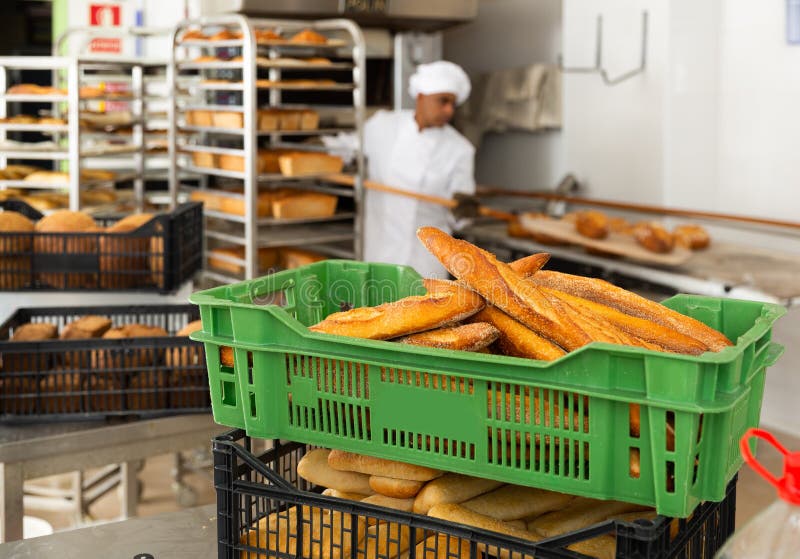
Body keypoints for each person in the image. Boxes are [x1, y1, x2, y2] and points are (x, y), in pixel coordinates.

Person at [361, 60, 475, 278]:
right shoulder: (382, 126)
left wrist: (463, 211)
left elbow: (460, 219)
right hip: (379, 255)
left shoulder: (460, 149)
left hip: (425, 264)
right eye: (443, 101)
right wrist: (321, 146)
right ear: (422, 96)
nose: (449, 110)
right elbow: (348, 147)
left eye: (453, 104)